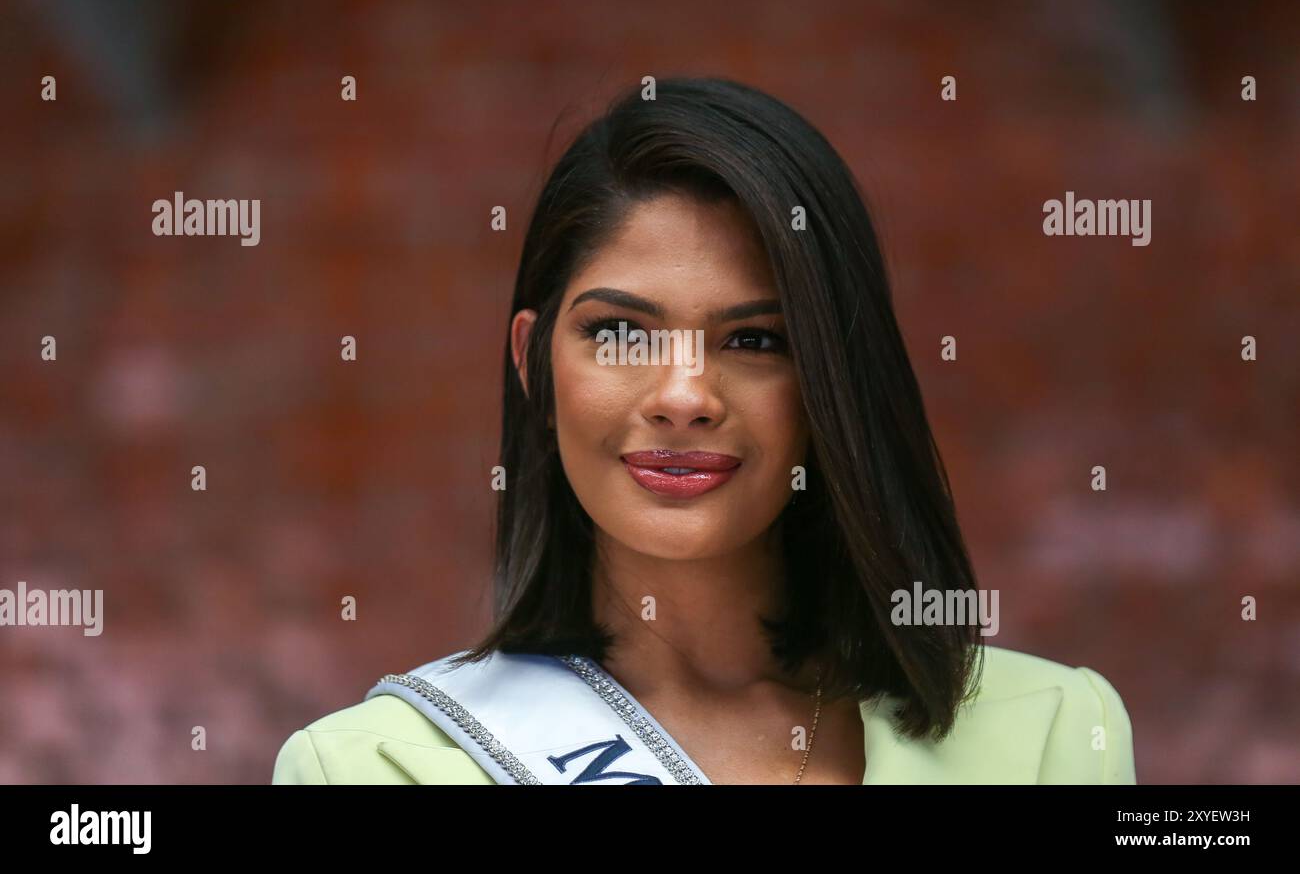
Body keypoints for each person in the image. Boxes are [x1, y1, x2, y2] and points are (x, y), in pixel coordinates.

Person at [273, 76, 1135, 785]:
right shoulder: (374, 769)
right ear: (535, 365)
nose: (684, 396)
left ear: (832, 381)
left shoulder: (1051, 739)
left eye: (756, 340)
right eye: (618, 333)